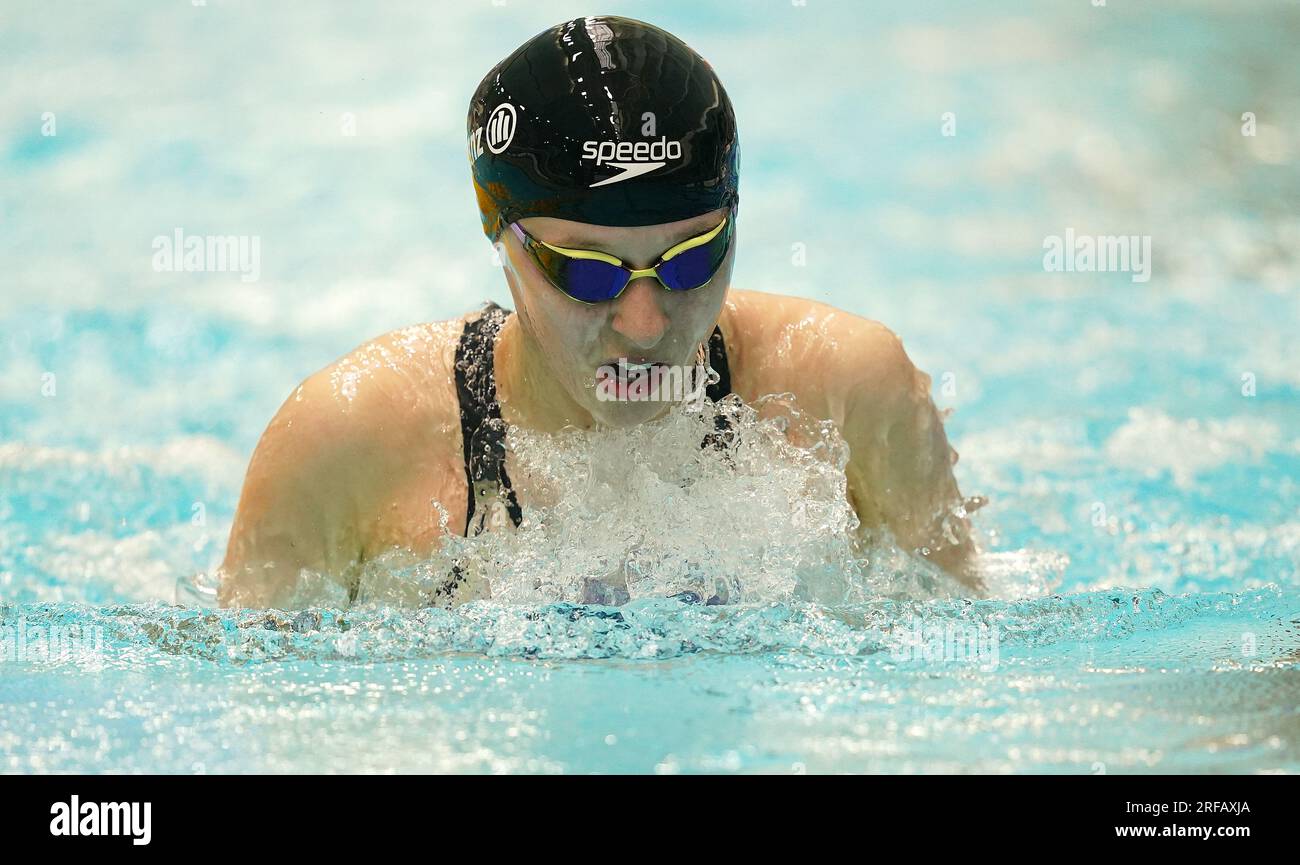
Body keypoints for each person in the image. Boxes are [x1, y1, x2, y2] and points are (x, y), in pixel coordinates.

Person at [218, 15, 981, 609]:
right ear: (498, 229)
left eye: (690, 260)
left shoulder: (851, 392)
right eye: (587, 274)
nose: (647, 325)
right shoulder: (341, 443)